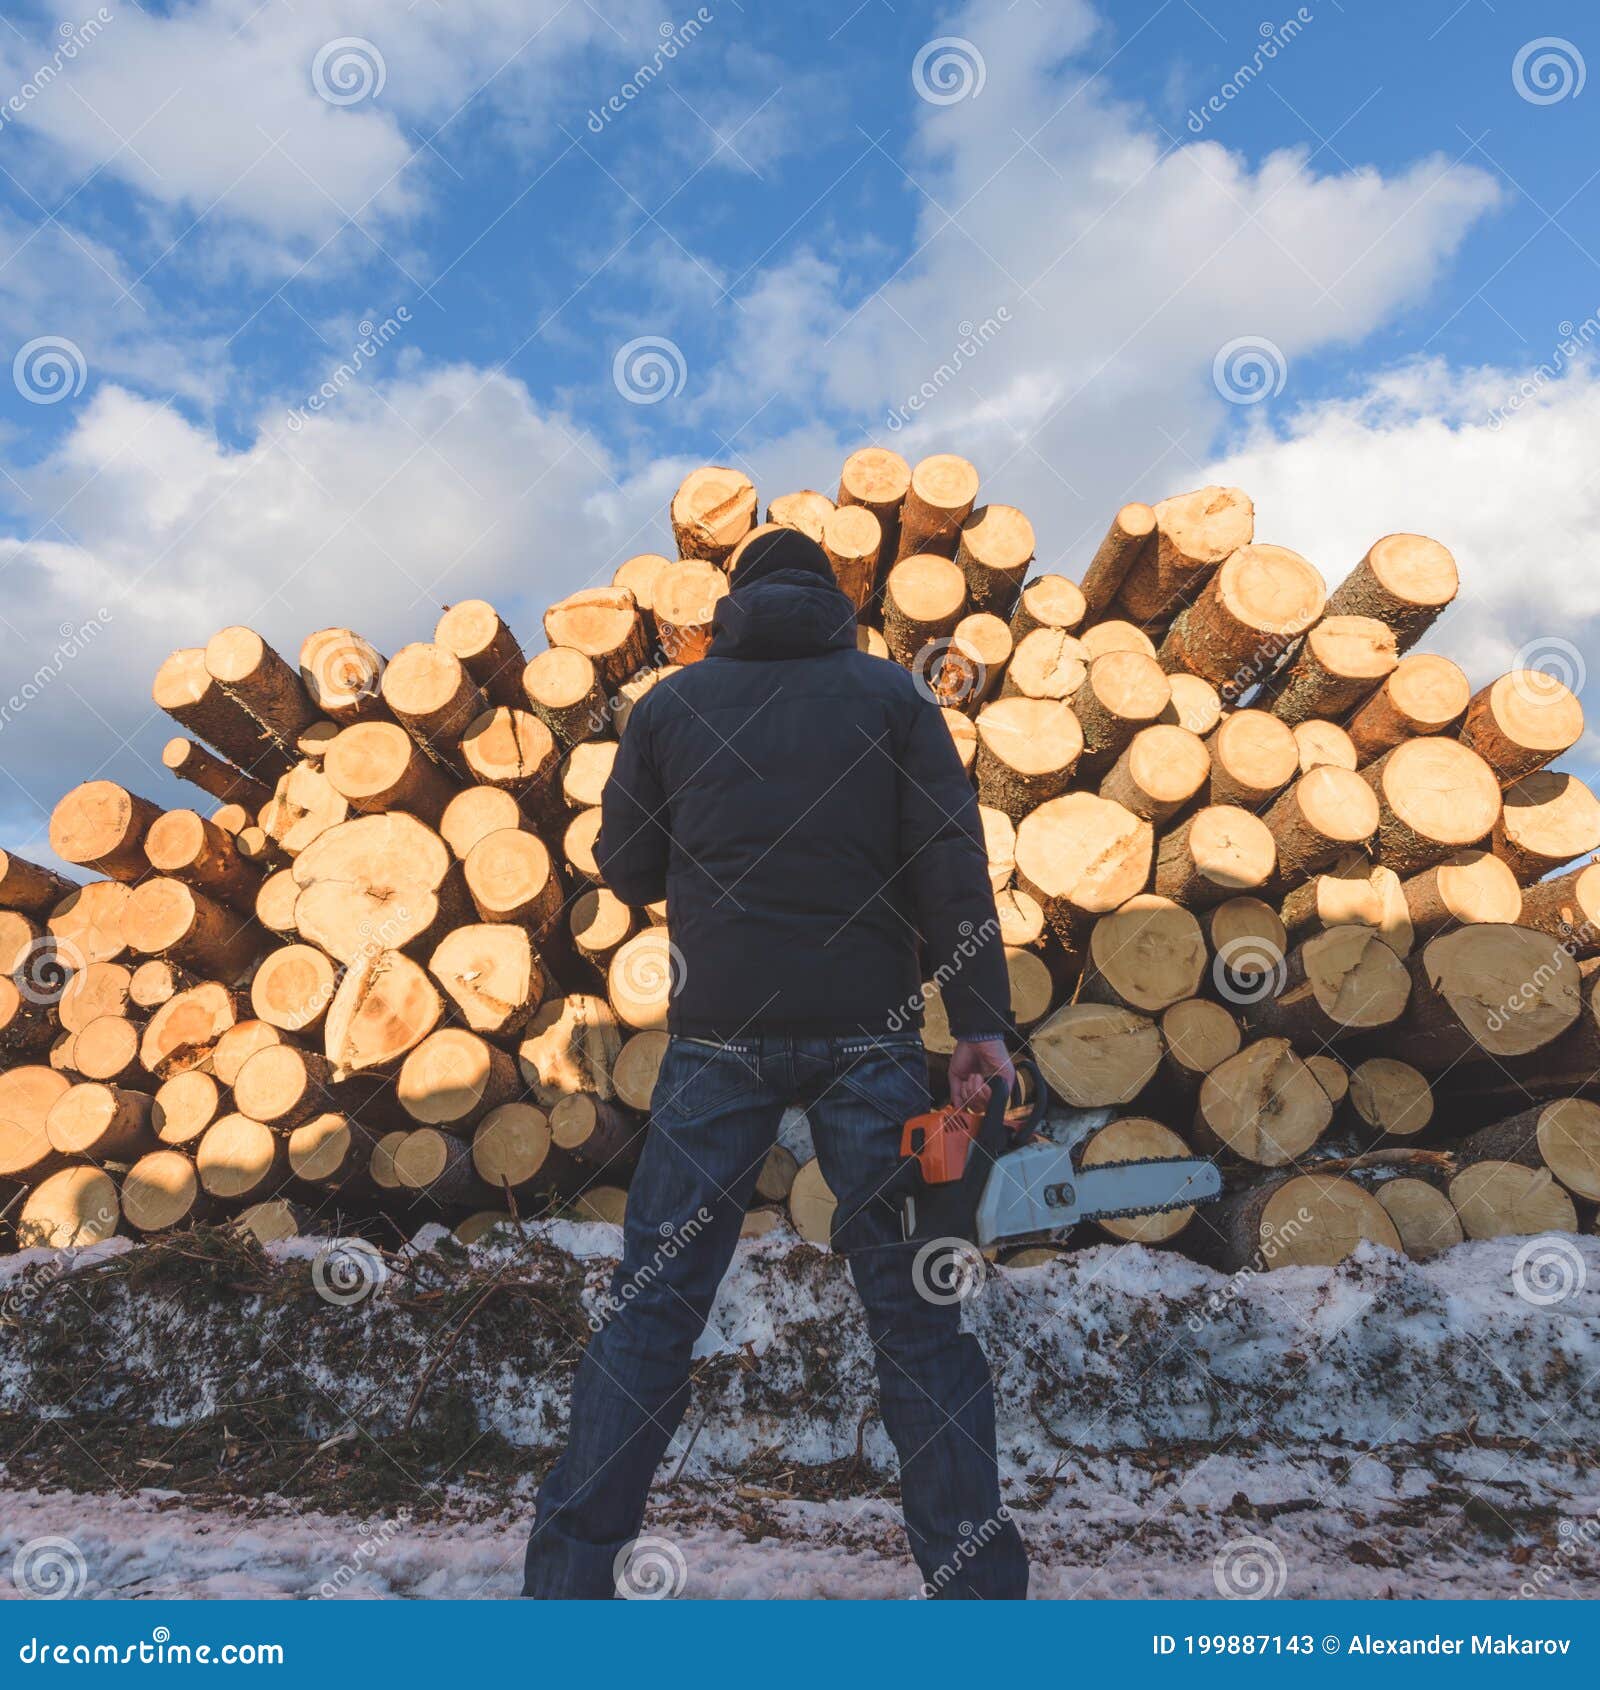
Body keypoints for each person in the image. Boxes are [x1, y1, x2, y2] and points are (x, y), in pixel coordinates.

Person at [522, 524, 1029, 1600]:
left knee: (653, 1307)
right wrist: (982, 1025)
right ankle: (979, 1606)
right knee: (917, 1314)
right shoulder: (894, 697)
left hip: (719, 1034)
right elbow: (950, 865)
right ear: (835, 601)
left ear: (732, 605)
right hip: (871, 1031)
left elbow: (626, 866)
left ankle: (566, 1594)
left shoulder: (670, 706)